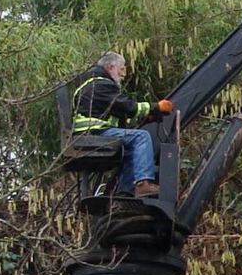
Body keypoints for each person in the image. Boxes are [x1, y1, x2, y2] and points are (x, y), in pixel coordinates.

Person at [71, 51, 169, 198]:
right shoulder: (101, 85)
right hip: (93, 133)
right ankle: (143, 183)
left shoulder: (91, 85)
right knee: (141, 137)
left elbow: (118, 114)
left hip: (90, 132)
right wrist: (156, 107)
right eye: (122, 69)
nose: (124, 74)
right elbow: (128, 107)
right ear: (111, 67)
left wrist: (144, 118)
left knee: (131, 152)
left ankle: (124, 193)